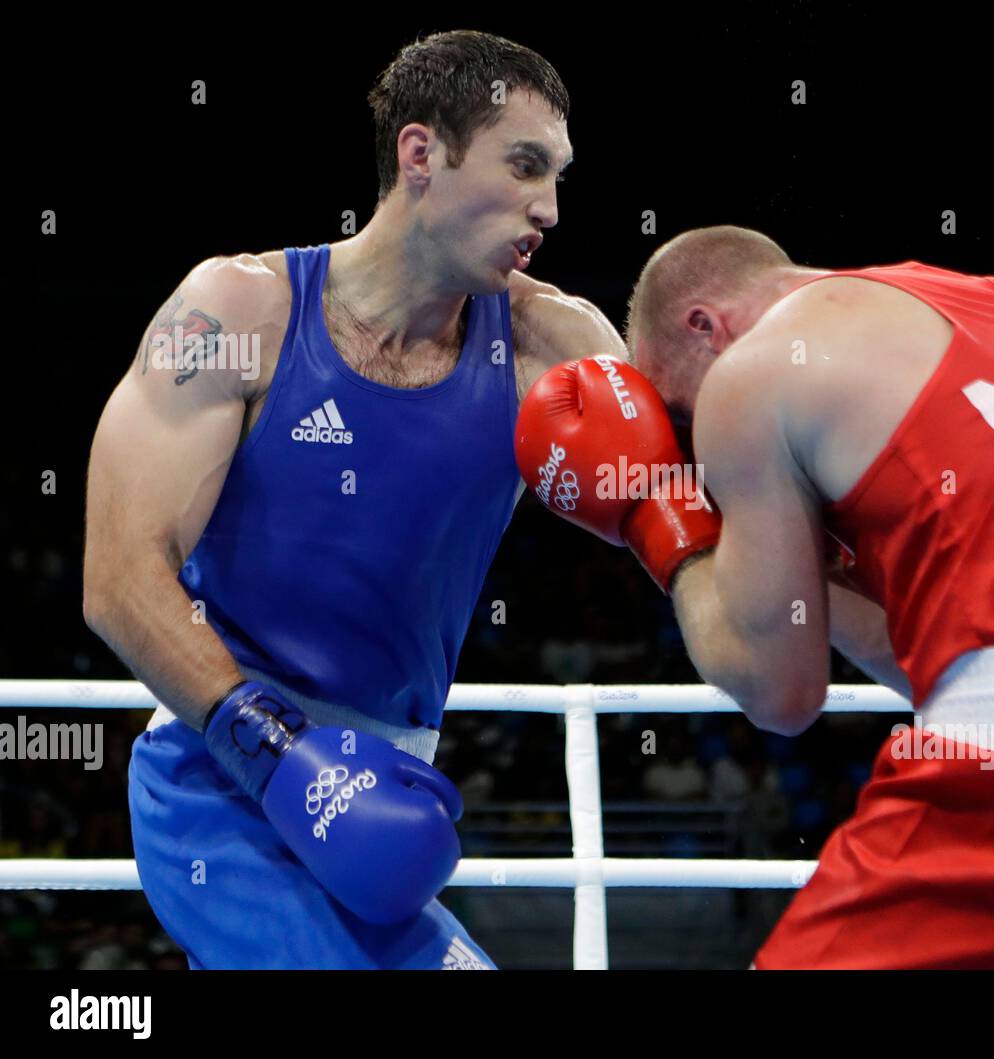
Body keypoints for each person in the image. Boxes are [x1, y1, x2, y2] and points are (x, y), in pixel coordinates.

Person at [514, 225, 994, 968]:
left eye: (679, 412)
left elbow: (781, 692)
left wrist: (659, 505)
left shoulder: (753, 371)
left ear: (706, 326)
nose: (690, 439)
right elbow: (937, 655)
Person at [83, 30, 626, 970]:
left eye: (559, 177)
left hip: (388, 789)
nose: (549, 207)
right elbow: (117, 577)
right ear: (422, 154)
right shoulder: (239, 311)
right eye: (526, 165)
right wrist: (269, 747)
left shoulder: (553, 342)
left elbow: (687, 514)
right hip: (217, 780)